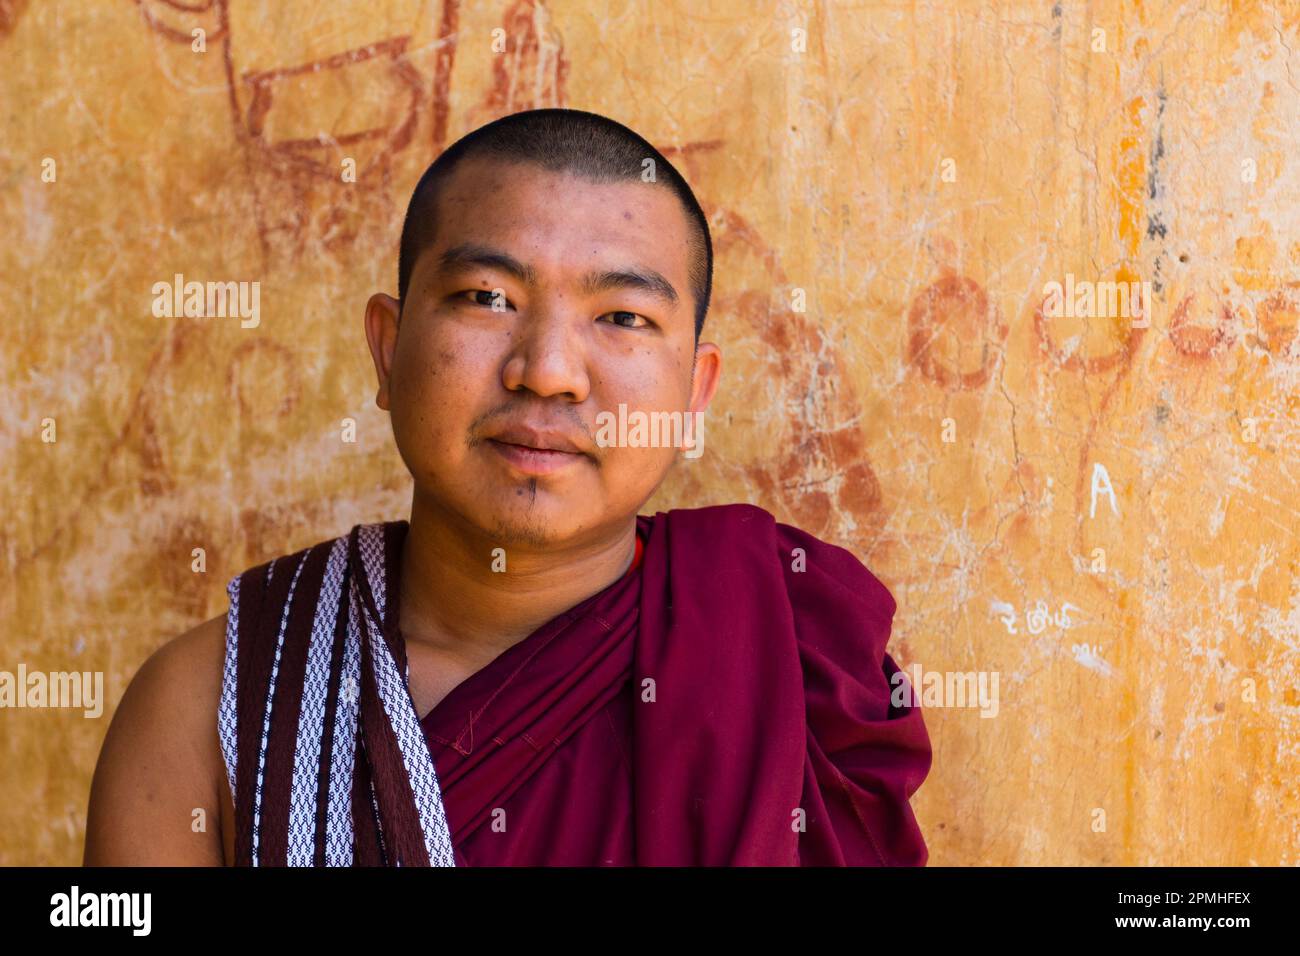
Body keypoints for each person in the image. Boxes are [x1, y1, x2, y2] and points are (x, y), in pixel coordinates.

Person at [84, 108, 931, 866]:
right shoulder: (215, 706)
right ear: (388, 347)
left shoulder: (796, 665)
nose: (549, 373)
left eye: (624, 317)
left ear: (694, 393)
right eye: (487, 297)